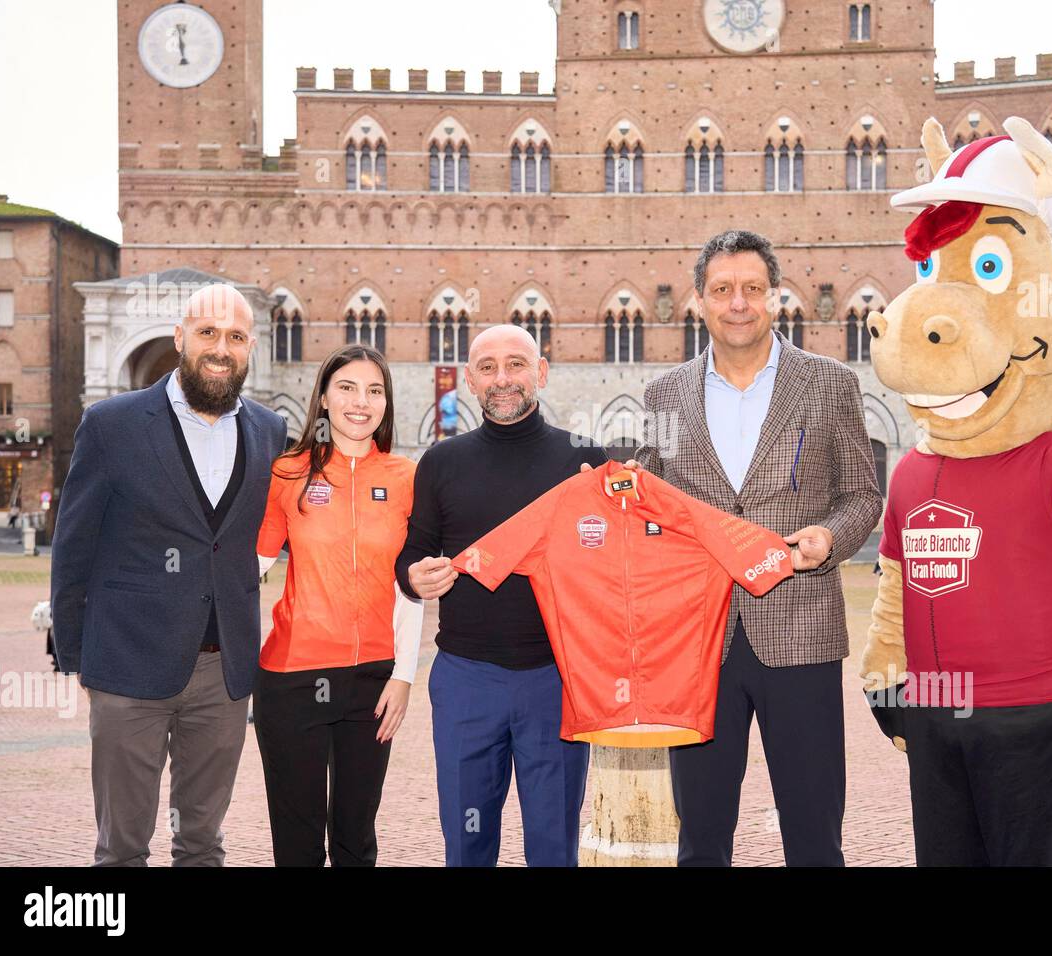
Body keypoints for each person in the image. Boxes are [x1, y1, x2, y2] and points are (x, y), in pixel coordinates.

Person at [635, 230, 883, 866]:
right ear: (700, 301)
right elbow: (650, 507)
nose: (737, 303)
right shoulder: (665, 395)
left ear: (775, 296)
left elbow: (862, 495)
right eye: (722, 290)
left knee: (813, 834)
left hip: (801, 632)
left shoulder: (828, 384)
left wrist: (830, 539)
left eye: (751, 289)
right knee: (700, 838)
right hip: (700, 641)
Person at [50, 283, 287, 866]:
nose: (220, 348)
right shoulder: (112, 424)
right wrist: (79, 657)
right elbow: (72, 547)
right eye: (207, 333)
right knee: (123, 846)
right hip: (127, 668)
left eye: (235, 336)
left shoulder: (269, 432)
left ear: (249, 347)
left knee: (203, 844)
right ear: (181, 338)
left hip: (223, 671)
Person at [397, 324, 607, 866]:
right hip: (468, 679)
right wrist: (414, 577)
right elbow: (412, 552)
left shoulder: (583, 460)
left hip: (555, 677)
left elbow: (612, 565)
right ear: (469, 380)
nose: (502, 378)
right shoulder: (441, 463)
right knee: (466, 842)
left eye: (516, 364)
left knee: (553, 842)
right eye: (487, 367)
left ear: (540, 371)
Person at [254, 345, 421, 866]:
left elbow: (410, 586)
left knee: (355, 839)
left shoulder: (407, 478)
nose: (361, 402)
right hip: (292, 678)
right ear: (323, 397)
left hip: (372, 681)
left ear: (386, 404)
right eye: (347, 387)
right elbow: (248, 568)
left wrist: (405, 675)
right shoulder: (286, 473)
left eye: (375, 391)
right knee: (298, 843)